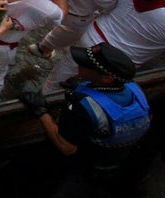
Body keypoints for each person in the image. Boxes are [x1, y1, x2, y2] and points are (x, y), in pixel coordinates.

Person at [20, 43, 151, 194]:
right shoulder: (134, 88)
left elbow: (67, 147)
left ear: (107, 78)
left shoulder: (86, 106)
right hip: (122, 154)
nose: (79, 64)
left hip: (88, 162)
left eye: (86, 65)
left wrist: (41, 112)